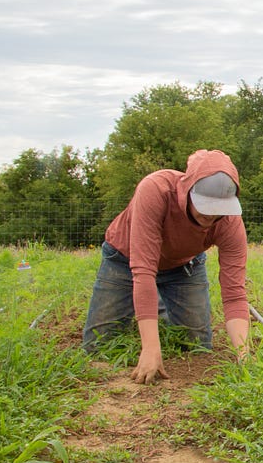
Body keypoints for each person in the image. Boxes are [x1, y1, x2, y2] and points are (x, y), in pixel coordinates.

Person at [83, 149, 250, 384]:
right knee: (98, 344)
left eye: (218, 210)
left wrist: (244, 356)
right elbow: (143, 271)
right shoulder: (155, 190)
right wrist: (151, 349)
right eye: (205, 206)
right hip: (125, 260)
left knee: (196, 345)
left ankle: (157, 306)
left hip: (184, 268)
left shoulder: (230, 223)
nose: (211, 217)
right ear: (188, 190)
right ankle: (152, 308)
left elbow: (234, 294)